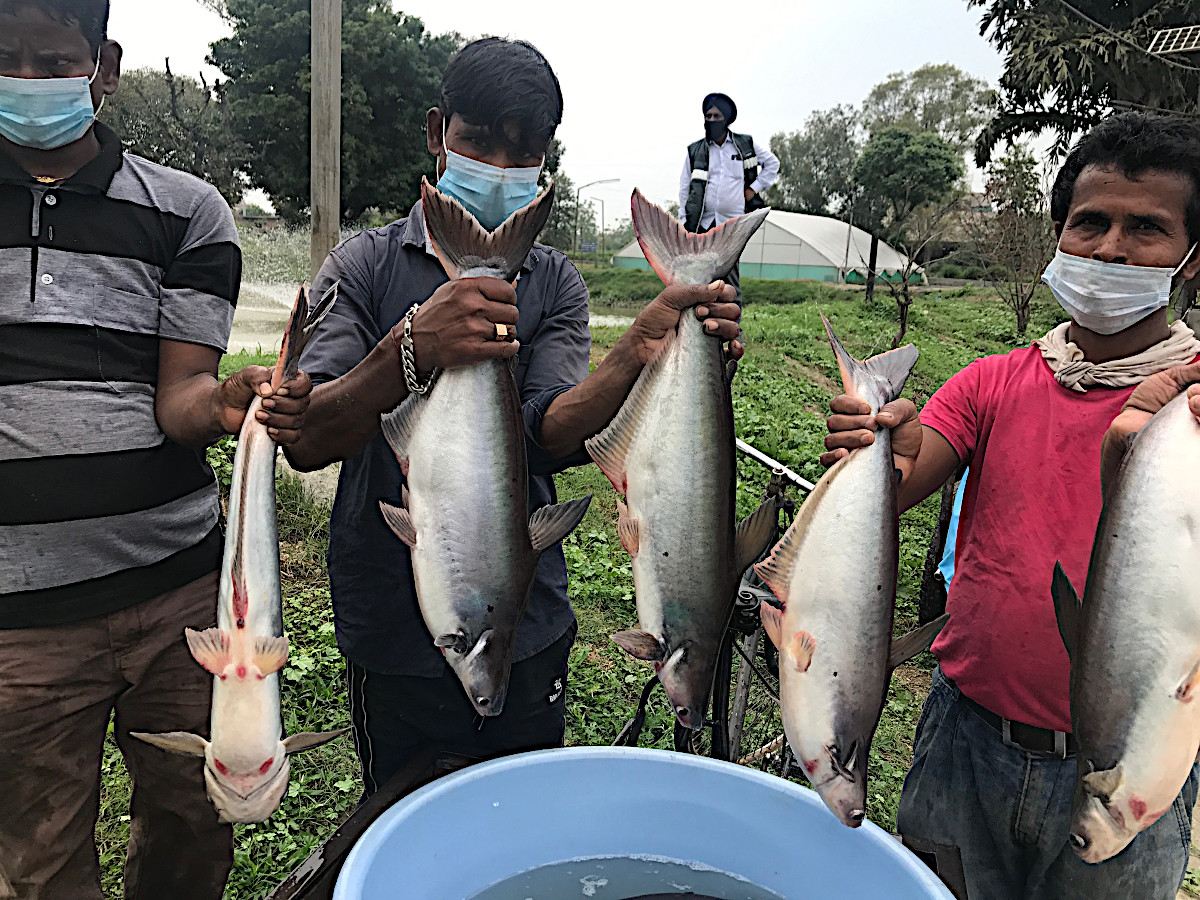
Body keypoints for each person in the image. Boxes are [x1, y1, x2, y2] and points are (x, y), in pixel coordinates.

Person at [283, 37, 745, 796]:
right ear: (438, 133)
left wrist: (639, 349)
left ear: (546, 158)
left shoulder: (554, 280)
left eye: (523, 151)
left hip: (525, 628)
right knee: (397, 818)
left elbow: (548, 431)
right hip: (392, 633)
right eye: (478, 142)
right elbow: (307, 440)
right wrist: (413, 347)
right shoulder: (364, 267)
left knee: (521, 815)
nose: (499, 169)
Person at [822, 111, 1200, 899]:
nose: (1110, 249)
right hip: (964, 740)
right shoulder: (993, 382)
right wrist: (877, 445)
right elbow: (905, 475)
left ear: (1191, 259)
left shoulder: (1194, 410)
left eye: (1147, 230)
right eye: (1089, 223)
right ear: (1058, 234)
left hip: (1125, 769)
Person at [0, 2, 313, 898]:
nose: (26, 79)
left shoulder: (186, 213)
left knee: (191, 826)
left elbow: (178, 400)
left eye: (51, 58)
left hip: (177, 596)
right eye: (5, 57)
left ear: (103, 64)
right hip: (15, 619)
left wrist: (222, 403)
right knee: (36, 847)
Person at [677, 92, 779, 299]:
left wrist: (754, 188)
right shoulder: (695, 150)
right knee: (700, 277)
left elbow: (773, 164)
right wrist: (682, 220)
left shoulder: (744, 145)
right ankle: (703, 325)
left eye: (716, 116)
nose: (711, 120)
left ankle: (732, 327)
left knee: (729, 278)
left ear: (727, 119)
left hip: (733, 225)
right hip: (702, 224)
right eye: (708, 116)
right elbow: (684, 187)